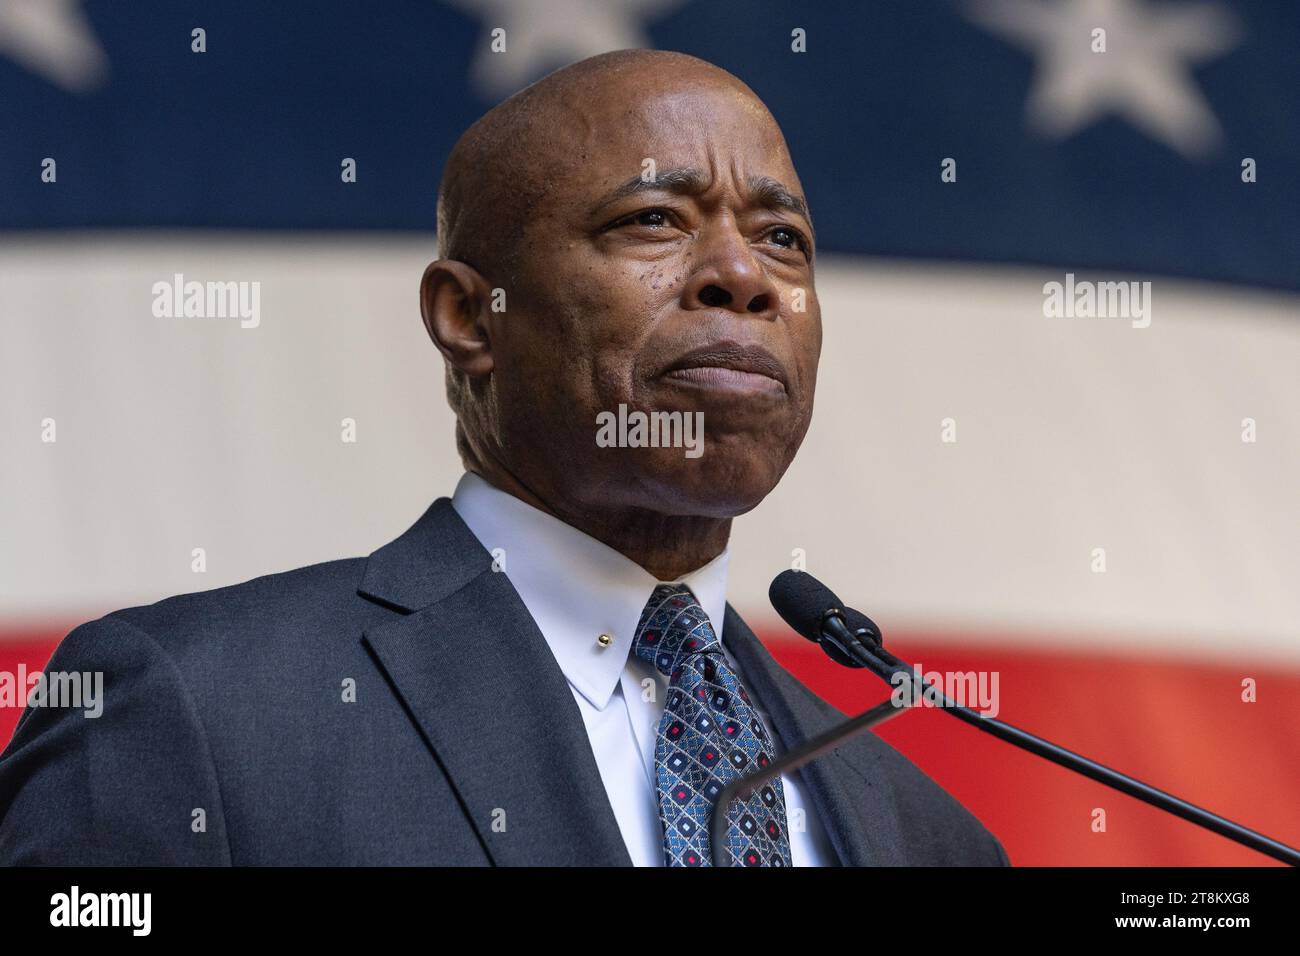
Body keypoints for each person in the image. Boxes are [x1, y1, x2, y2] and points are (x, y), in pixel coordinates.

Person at [0, 49, 1007, 866]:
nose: (743, 275)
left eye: (782, 237)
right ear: (466, 315)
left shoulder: (928, 833)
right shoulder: (194, 710)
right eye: (654, 218)